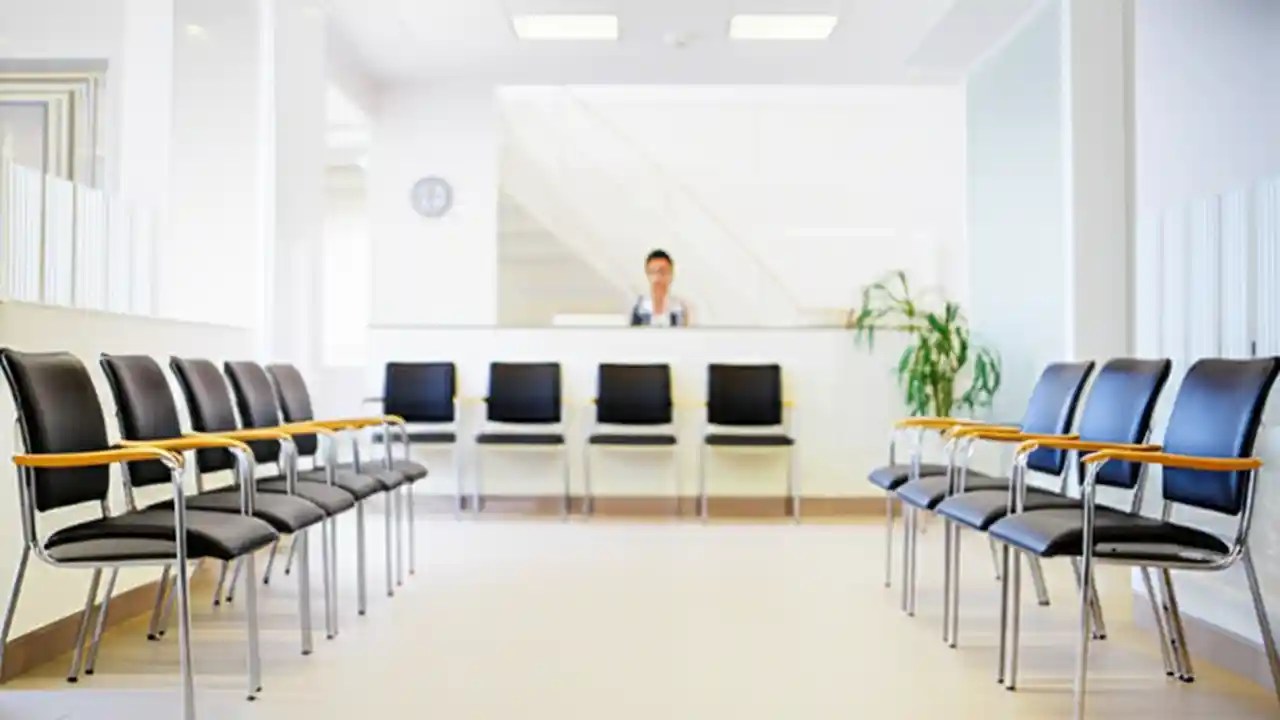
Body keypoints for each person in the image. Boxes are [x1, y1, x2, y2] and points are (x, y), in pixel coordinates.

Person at [630, 249, 690, 327]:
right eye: (653, 272)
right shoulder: (638, 308)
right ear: (647, 274)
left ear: (671, 274)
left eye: (662, 272)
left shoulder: (680, 308)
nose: (657, 277)